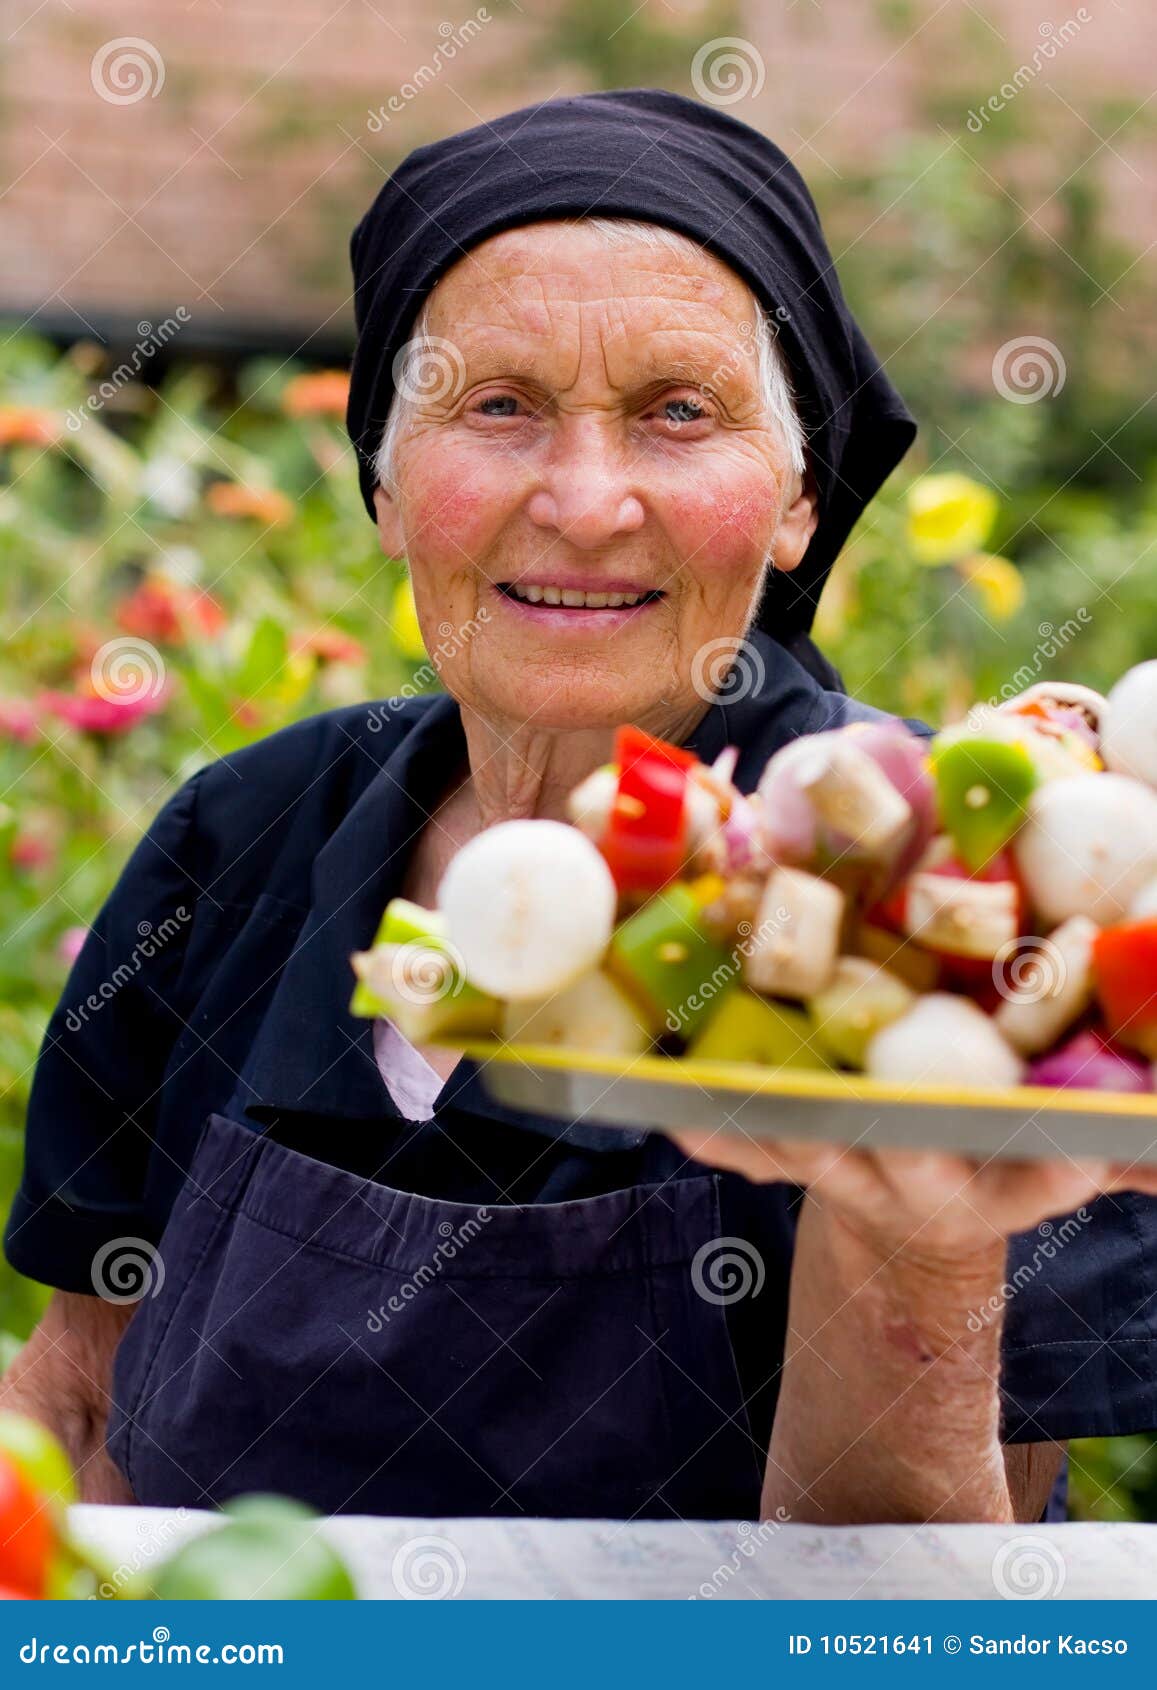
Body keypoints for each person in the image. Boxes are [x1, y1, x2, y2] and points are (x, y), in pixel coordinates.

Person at [5, 90, 1157, 1528]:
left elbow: (924, 1598)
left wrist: (916, 1240)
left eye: (678, 412)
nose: (587, 498)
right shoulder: (242, 835)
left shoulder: (954, 900)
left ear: (800, 497)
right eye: (498, 406)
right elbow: (79, 1395)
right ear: (383, 479)